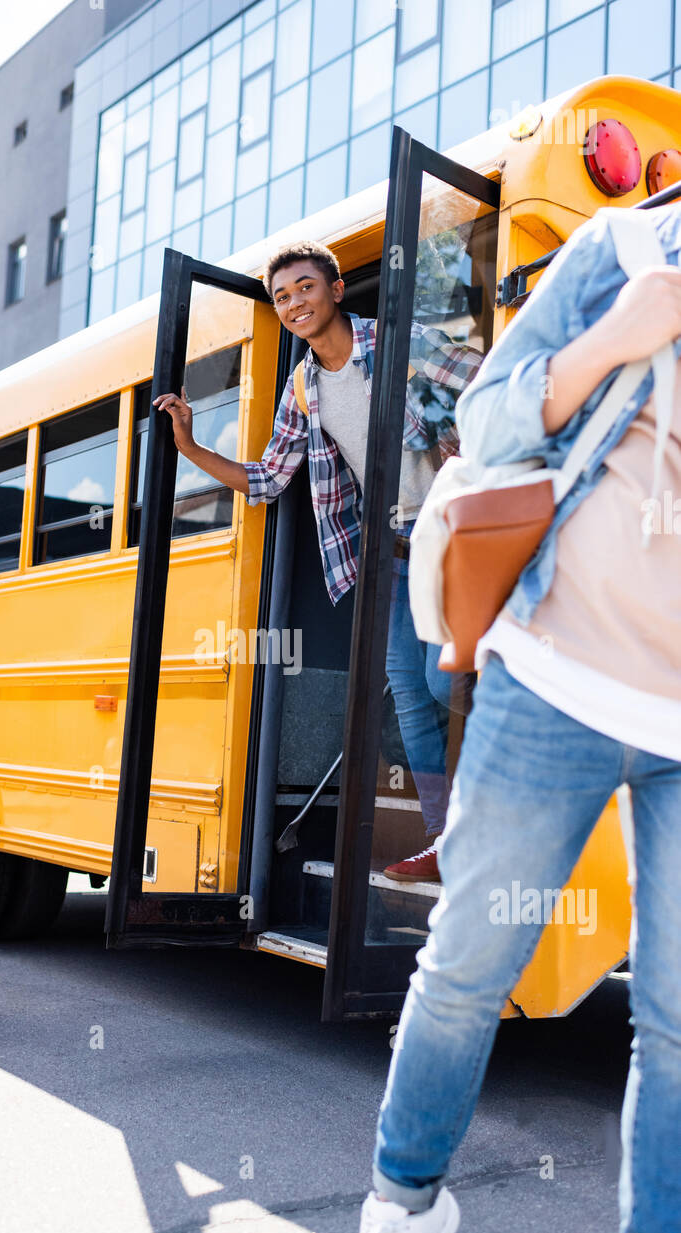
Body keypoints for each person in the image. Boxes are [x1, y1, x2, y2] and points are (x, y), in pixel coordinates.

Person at [338, 203, 681, 1233]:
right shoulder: (629, 250)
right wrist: (612, 342)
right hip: (556, 678)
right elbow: (484, 423)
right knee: (467, 971)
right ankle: (403, 1207)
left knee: (676, 1025)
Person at [153, 239, 481, 881]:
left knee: (447, 682)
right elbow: (270, 478)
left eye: (305, 287)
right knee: (412, 699)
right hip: (386, 553)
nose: (293, 302)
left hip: (450, 534)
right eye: (281, 296)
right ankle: (447, 841)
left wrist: (467, 456)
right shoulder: (304, 387)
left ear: (334, 289)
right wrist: (188, 445)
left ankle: (496, 805)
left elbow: (486, 382)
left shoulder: (396, 343)